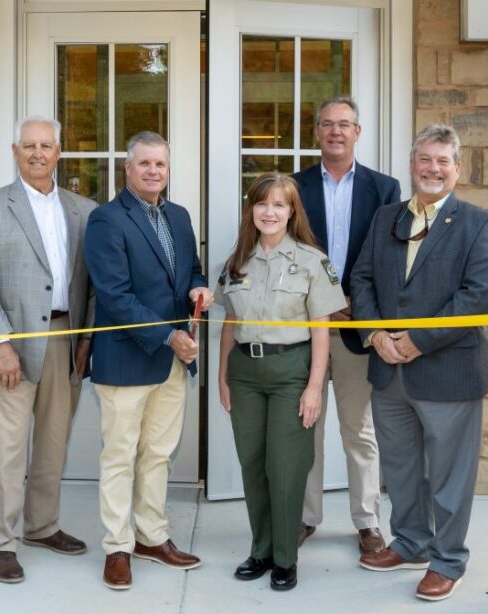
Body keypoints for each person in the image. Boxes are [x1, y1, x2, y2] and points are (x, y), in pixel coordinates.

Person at [350, 125, 488, 601]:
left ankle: (448, 559)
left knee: (450, 474)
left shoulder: (479, 223)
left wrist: (416, 340)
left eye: (442, 161)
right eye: (425, 160)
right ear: (412, 165)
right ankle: (412, 541)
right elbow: (363, 278)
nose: (432, 169)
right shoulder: (385, 218)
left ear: (456, 168)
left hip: (448, 370)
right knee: (399, 467)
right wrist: (376, 334)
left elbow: (476, 296)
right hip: (388, 368)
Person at [0, 116, 96, 584]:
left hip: (65, 339)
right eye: (29, 145)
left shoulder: (83, 209)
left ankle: (42, 526)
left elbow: (91, 283)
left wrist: (87, 339)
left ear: (60, 151)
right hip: (11, 346)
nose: (39, 153)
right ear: (15, 152)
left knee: (54, 443)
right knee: (5, 450)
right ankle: (1, 541)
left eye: (47, 145)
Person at [84, 131, 213, 590]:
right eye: (145, 164)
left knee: (157, 454)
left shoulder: (178, 216)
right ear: (128, 168)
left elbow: (189, 271)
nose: (154, 171)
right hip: (127, 358)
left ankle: (151, 536)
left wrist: (198, 286)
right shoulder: (106, 220)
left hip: (172, 362)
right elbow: (115, 295)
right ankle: (117, 547)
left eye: (160, 164)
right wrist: (169, 336)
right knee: (120, 455)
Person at [217, 172, 346, 591]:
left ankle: (286, 558)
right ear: (251, 210)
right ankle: (262, 549)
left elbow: (322, 331)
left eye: (279, 205)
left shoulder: (312, 261)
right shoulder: (237, 261)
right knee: (253, 465)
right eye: (261, 203)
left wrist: (314, 387)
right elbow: (229, 324)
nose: (269, 212)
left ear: (292, 212)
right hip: (245, 374)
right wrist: (222, 378)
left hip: (292, 371)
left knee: (286, 467)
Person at [292, 96, 401, 553]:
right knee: (304, 427)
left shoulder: (384, 188)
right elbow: (284, 249)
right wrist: (317, 304)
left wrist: (359, 307)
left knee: (360, 430)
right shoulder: (293, 186)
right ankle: (303, 517)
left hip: (358, 329)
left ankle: (368, 521)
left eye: (345, 124)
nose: (336, 132)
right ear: (316, 133)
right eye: (327, 124)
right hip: (303, 328)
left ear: (358, 132)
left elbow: (388, 259)